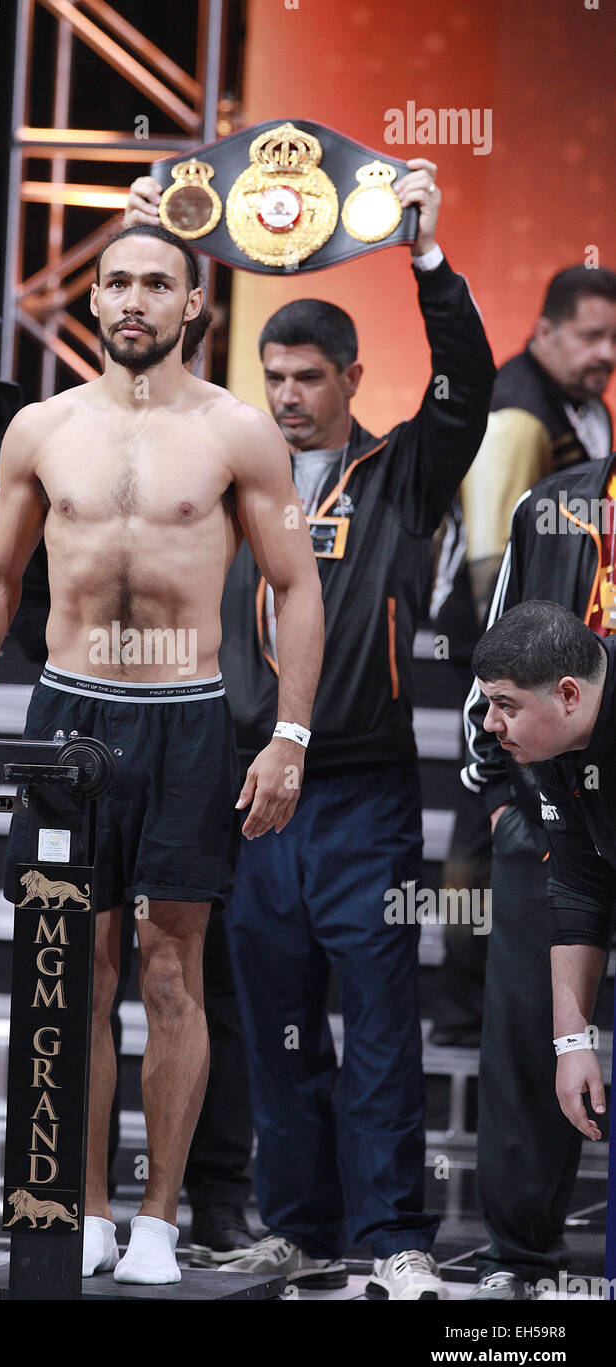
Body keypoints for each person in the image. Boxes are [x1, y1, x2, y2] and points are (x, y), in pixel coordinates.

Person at [127, 158, 496, 1298]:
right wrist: (158, 245)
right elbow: (140, 388)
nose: (287, 396)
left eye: (307, 377)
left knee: (378, 1022)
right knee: (278, 1019)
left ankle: (391, 1235)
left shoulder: (405, 473)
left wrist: (425, 258)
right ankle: (296, 1225)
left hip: (363, 785)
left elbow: (469, 380)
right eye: (273, 376)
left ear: (350, 377)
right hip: (249, 783)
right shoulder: (233, 467)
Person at [0, 221, 324, 1285]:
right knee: (77, 967)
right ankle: (89, 1209)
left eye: (158, 283)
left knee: (170, 968)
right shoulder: (41, 428)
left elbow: (296, 584)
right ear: (92, 298)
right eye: (116, 282)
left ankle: (158, 1217)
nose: (134, 300)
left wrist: (288, 734)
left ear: (193, 304)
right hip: (68, 718)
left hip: (189, 719)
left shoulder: (239, 433)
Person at [461, 455, 616, 1297]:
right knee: (536, 1035)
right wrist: (499, 791)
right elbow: (502, 657)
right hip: (560, 778)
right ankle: (520, 1258)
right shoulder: (555, 502)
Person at [471, 602, 614, 1156]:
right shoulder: (555, 746)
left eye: (505, 705)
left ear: (569, 694)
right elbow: (579, 887)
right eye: (488, 703)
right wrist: (572, 1042)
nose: (489, 725)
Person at [460, 266, 616, 620]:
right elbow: (491, 568)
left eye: (615, 338)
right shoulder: (515, 412)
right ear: (546, 333)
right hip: (487, 648)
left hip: (565, 624)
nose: (607, 353)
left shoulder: (590, 404)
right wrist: (514, 665)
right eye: (591, 337)